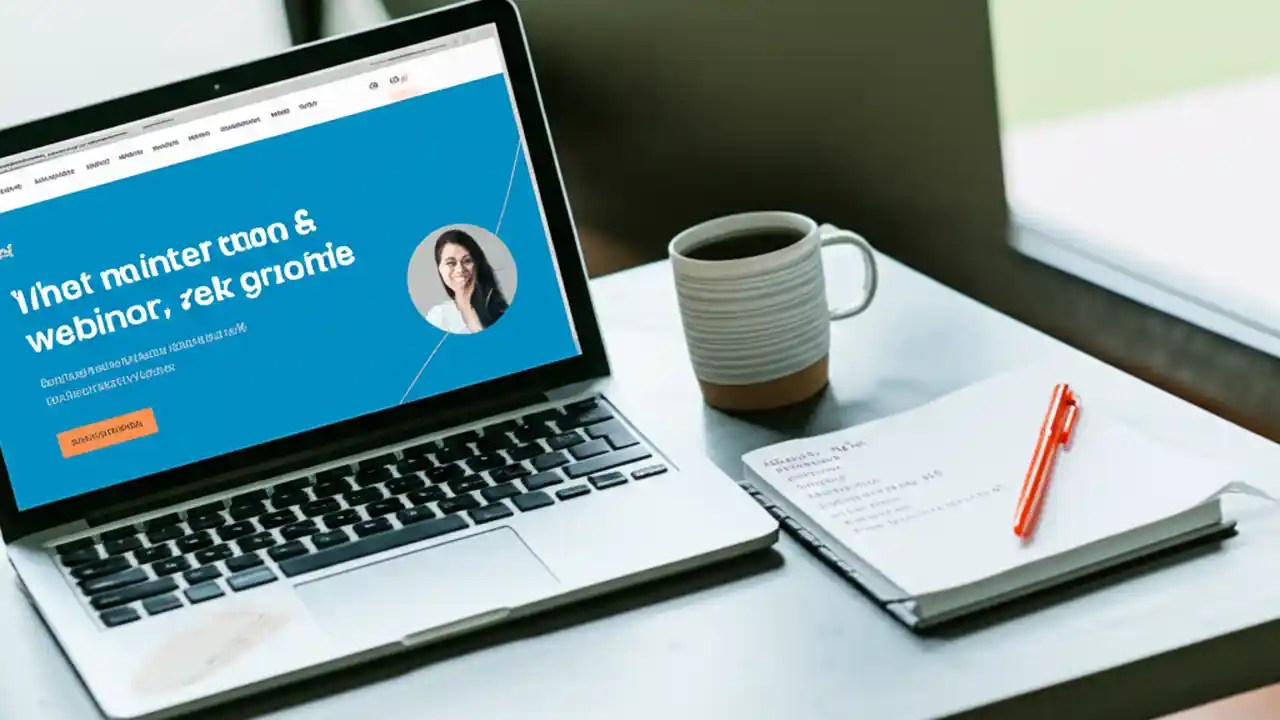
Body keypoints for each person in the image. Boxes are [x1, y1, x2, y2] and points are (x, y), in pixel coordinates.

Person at [425, 228, 510, 334]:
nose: (460, 269)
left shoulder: (499, 311)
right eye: (451, 263)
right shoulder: (438, 316)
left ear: (477, 265)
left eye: (467, 261)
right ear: (439, 268)